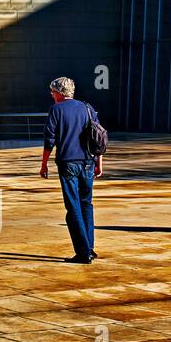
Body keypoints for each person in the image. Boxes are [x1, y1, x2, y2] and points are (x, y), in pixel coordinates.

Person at [40, 76, 102, 264]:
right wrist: (100, 162)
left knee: (73, 206)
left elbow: (49, 140)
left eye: (52, 92)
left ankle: (82, 253)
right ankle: (89, 248)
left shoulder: (56, 110)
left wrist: (44, 164)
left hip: (68, 162)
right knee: (86, 204)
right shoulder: (87, 107)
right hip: (88, 162)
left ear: (59, 93)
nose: (51, 95)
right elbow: (98, 137)